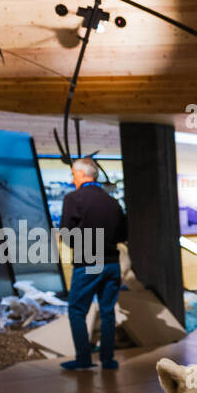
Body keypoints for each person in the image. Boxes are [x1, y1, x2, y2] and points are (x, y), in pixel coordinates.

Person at [59, 157, 126, 370]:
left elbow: (67, 235)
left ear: (80, 174)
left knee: (77, 311)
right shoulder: (112, 201)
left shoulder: (73, 199)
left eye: (73, 174)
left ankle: (84, 359)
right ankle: (108, 360)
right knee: (107, 311)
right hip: (112, 263)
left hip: (88, 262)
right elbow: (123, 234)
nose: (72, 179)